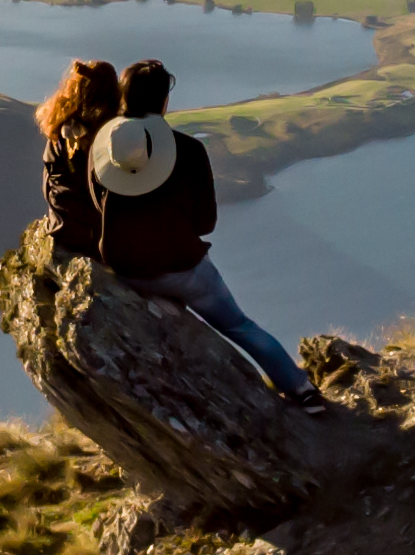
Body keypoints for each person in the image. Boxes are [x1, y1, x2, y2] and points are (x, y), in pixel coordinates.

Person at [86, 57, 323, 408]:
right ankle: (301, 390)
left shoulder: (104, 150)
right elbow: (205, 223)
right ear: (164, 101)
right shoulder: (189, 150)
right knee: (239, 326)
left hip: (126, 271)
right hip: (183, 268)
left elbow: (99, 207)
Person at [33, 58, 123, 260]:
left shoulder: (58, 133)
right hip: (97, 242)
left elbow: (49, 186)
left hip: (62, 232)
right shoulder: (113, 138)